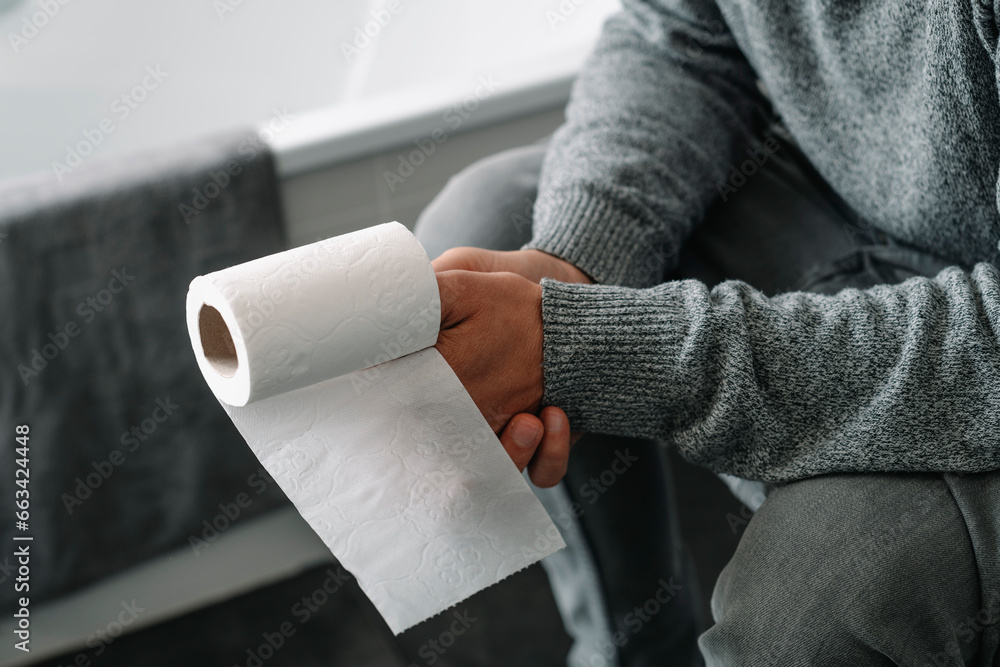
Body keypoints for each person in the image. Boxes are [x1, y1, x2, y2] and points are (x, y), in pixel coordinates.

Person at [414, 0, 1000, 664]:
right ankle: (635, 651)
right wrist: (574, 261)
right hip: (847, 199)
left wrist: (607, 352)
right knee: (487, 221)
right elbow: (680, 38)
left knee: (809, 604)